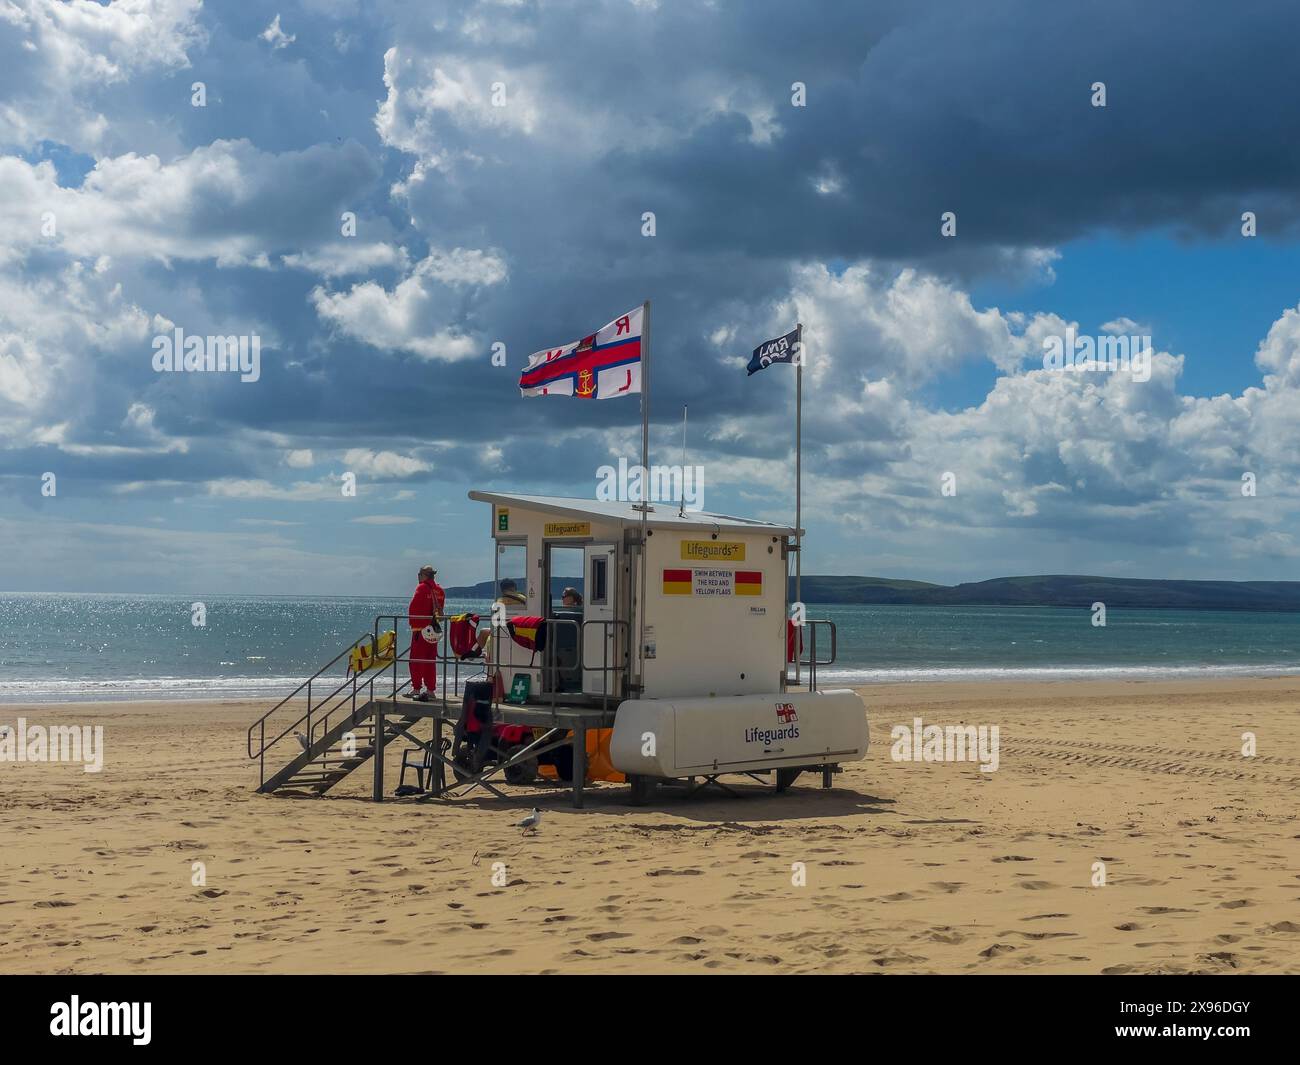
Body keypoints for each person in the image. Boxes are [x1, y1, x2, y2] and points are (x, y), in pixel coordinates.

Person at [406, 565, 445, 701]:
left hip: (421, 629)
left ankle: (416, 688)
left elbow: (414, 607)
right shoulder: (439, 590)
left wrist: (412, 623)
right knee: (430, 661)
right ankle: (430, 690)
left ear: (423, 575)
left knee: (416, 660)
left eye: (419, 574)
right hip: (434, 630)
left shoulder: (422, 587)